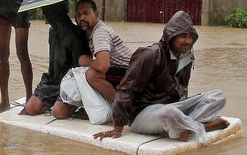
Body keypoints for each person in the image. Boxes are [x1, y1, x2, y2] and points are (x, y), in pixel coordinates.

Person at [94, 10, 230, 143]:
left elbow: (182, 90)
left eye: (190, 37)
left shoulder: (187, 57)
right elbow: (127, 90)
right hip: (143, 115)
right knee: (169, 112)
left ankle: (184, 128)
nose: (188, 41)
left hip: (173, 107)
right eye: (183, 36)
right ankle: (200, 127)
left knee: (217, 96)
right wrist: (118, 126)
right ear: (171, 36)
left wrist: (186, 110)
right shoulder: (149, 55)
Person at [50, 0, 135, 121]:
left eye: (86, 13)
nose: (82, 18)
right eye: (78, 15)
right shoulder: (89, 33)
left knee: (92, 74)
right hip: (120, 72)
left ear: (96, 14)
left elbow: (103, 66)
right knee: (60, 110)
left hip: (130, 73)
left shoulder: (100, 32)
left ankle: (123, 109)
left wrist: (87, 60)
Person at [19, 1, 89, 116]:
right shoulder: (52, 32)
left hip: (70, 81)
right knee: (31, 108)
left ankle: (72, 105)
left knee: (58, 113)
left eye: (45, 12)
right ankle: (55, 102)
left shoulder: (76, 35)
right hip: (53, 80)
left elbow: (80, 70)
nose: (43, 15)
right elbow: (53, 64)